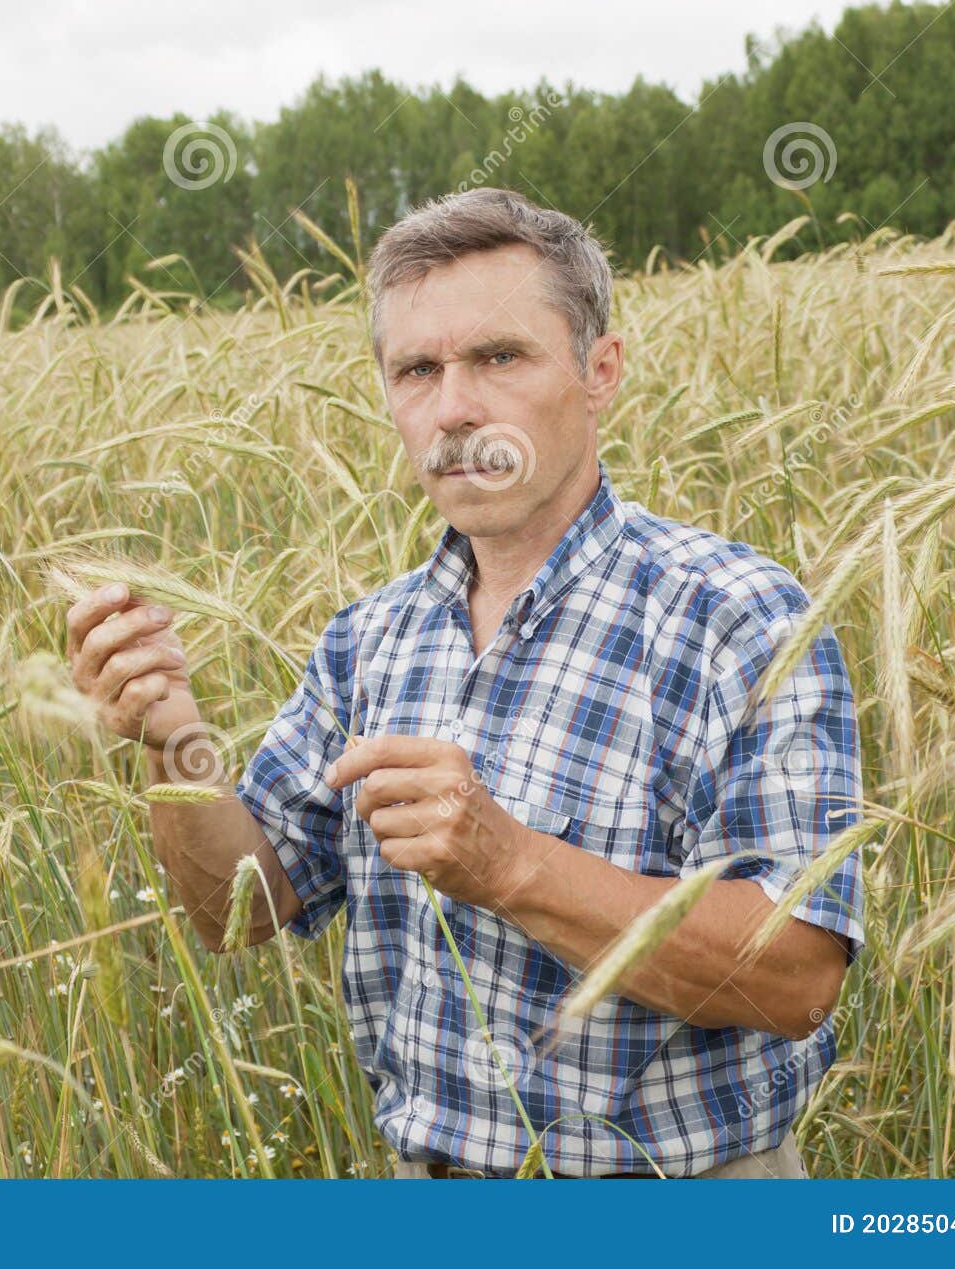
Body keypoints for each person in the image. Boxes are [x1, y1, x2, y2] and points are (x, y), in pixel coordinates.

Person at [65, 187, 864, 1179]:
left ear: (598, 370)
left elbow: (796, 978)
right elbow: (240, 908)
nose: (452, 408)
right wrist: (168, 734)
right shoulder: (369, 640)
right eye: (416, 369)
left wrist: (509, 864)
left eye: (498, 357)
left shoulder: (740, 620)